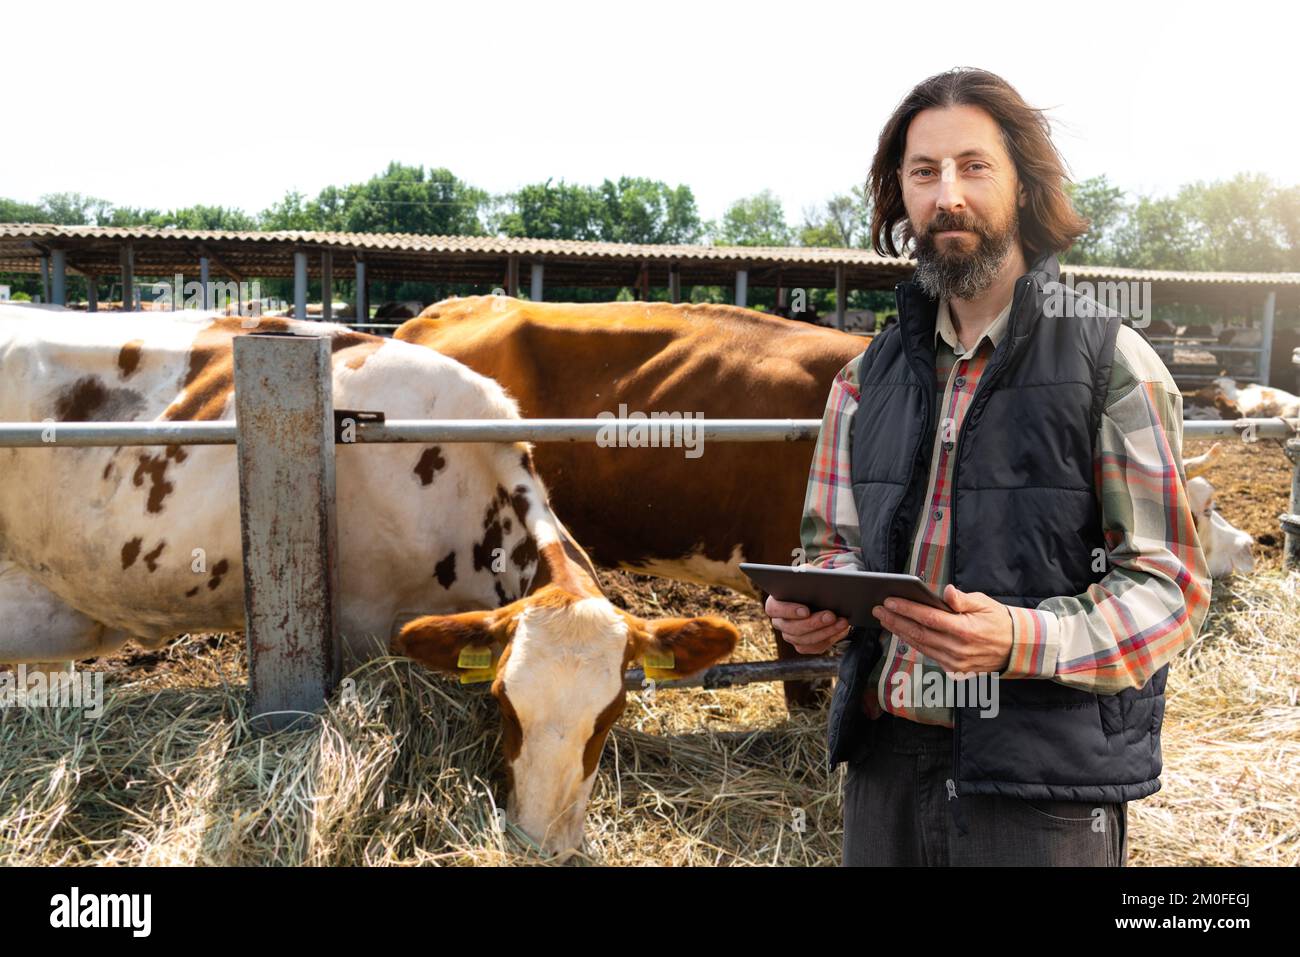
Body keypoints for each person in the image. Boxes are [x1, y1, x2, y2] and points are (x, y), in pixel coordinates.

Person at [764, 67, 1211, 866]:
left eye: (974, 166)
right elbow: (828, 547)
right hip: (886, 768)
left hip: (1040, 787)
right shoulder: (865, 380)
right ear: (899, 196)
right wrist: (815, 602)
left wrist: (1019, 637)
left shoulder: (1112, 364)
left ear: (1023, 187)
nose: (948, 196)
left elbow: (1168, 588)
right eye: (924, 172)